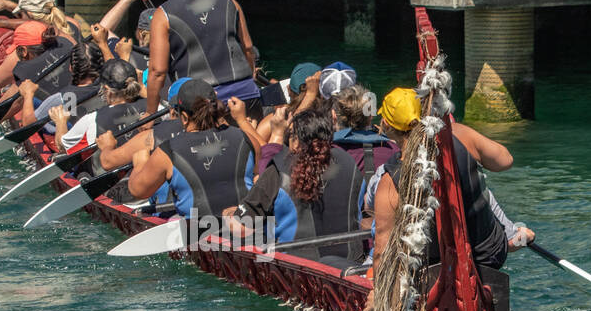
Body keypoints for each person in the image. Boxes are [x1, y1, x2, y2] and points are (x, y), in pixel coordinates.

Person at [371, 88, 533, 271]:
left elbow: (381, 253)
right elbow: (505, 161)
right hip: (489, 255)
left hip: (433, 270)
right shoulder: (458, 134)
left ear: (385, 125)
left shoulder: (388, 181)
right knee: (479, 183)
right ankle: (511, 236)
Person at [224, 109, 365, 266]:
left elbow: (240, 229)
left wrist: (228, 214)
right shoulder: (351, 164)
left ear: (296, 141)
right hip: (350, 268)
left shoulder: (278, 170)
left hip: (295, 272)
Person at [144, 0, 260, 118]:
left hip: (202, 104)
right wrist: (249, 80)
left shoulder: (163, 14)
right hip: (246, 96)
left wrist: (149, 113)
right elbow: (248, 48)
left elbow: (158, 71)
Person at [125, 79, 256, 219]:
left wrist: (140, 163)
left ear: (185, 117)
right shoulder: (247, 138)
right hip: (251, 228)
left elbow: (138, 191)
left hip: (198, 234)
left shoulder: (167, 152)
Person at [54, 58, 146, 154]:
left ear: (107, 89)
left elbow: (63, 147)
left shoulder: (92, 120)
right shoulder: (155, 106)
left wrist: (60, 121)